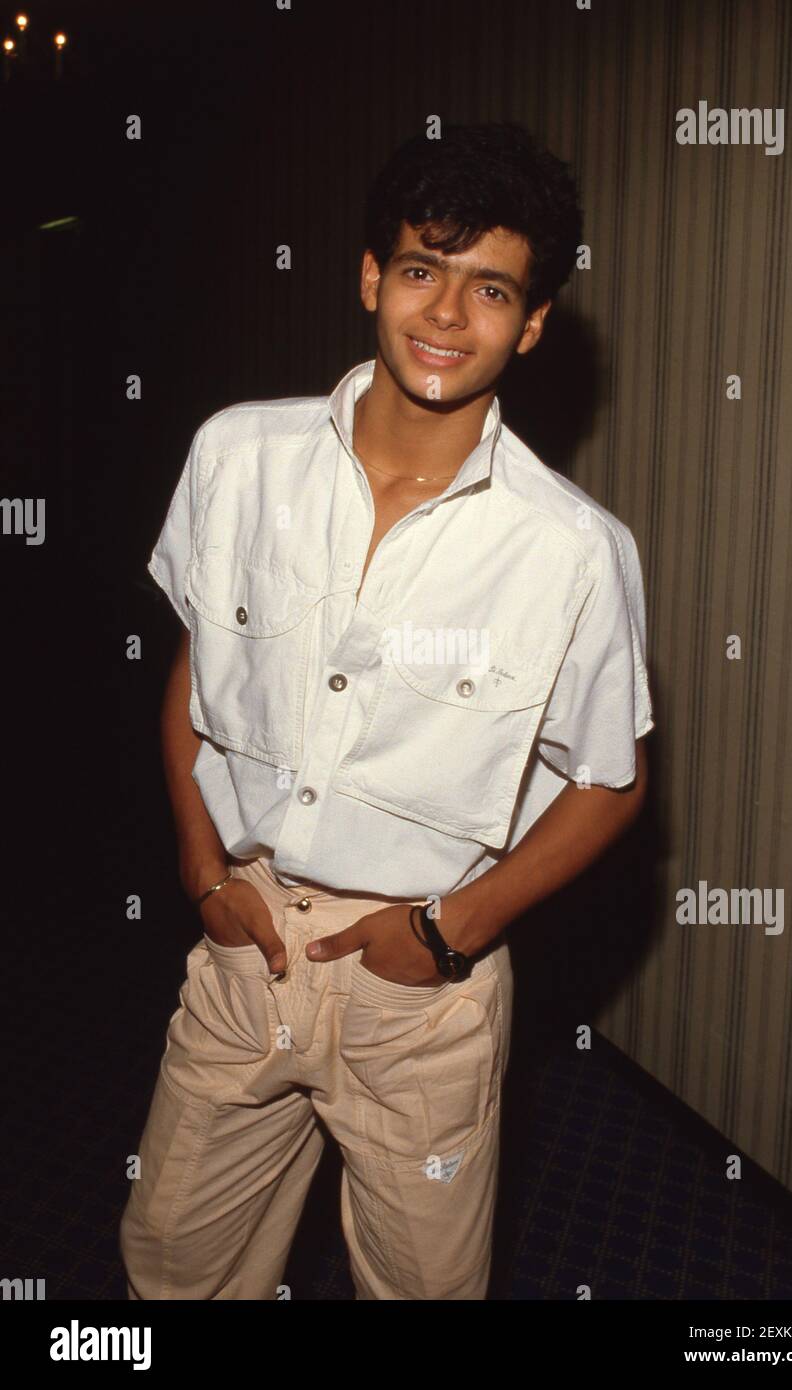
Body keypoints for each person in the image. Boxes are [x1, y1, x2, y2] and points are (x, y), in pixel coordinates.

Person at [119, 121, 654, 1301]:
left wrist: (448, 930)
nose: (448, 315)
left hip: (421, 988)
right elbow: (198, 671)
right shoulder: (236, 457)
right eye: (422, 268)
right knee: (170, 1270)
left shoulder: (568, 551)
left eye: (491, 287)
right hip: (243, 945)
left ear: (532, 322)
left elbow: (609, 781)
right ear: (371, 276)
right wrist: (204, 866)